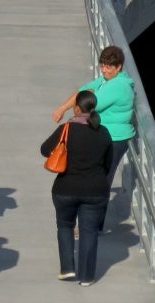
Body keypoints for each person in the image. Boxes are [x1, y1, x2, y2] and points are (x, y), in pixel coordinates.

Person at [52, 45, 136, 230]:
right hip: (106, 138)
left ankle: (94, 226)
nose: (104, 70)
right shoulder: (107, 81)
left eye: (109, 67)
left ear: (119, 66)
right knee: (98, 180)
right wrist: (62, 108)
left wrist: (70, 109)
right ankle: (92, 224)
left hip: (114, 140)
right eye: (103, 66)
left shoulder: (117, 86)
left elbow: (89, 104)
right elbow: (83, 93)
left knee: (102, 182)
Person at [40, 90, 113, 286]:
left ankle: (67, 269)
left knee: (65, 226)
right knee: (88, 231)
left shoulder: (66, 129)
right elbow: (108, 164)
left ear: (77, 108)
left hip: (65, 189)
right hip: (95, 190)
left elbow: (44, 150)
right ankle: (87, 276)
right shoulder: (104, 132)